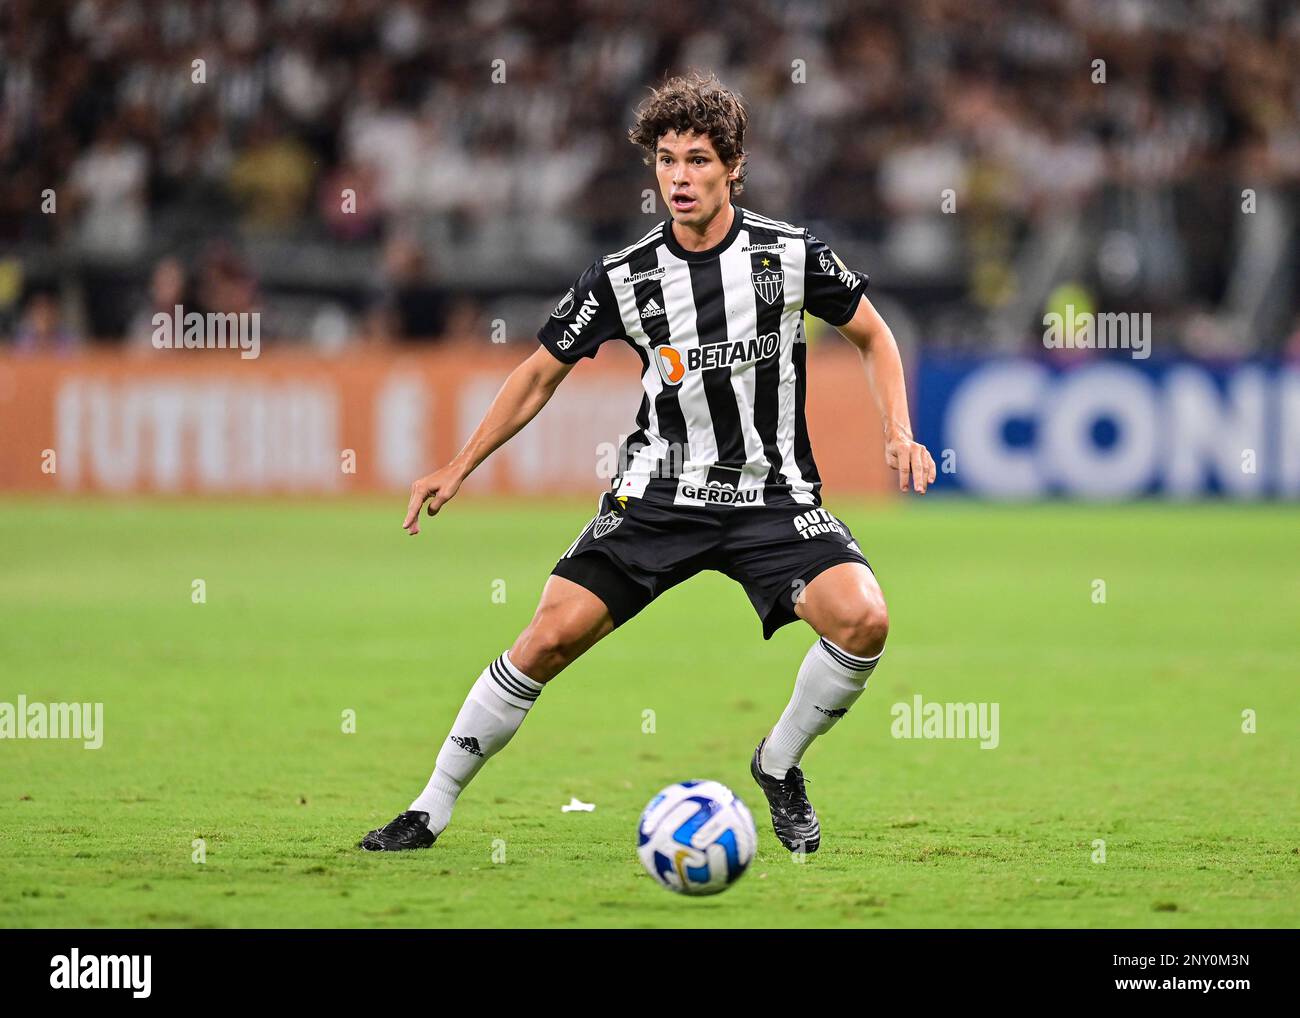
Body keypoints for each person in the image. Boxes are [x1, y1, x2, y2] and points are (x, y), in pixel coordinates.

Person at [361, 73, 936, 855]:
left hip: (773, 496)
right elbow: (538, 373)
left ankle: (777, 764)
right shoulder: (624, 277)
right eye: (666, 161)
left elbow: (872, 333)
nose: (679, 178)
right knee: (545, 640)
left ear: (733, 165)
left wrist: (897, 431)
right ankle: (429, 808)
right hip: (658, 494)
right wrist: (459, 463)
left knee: (865, 618)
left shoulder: (788, 255)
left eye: (697, 160)